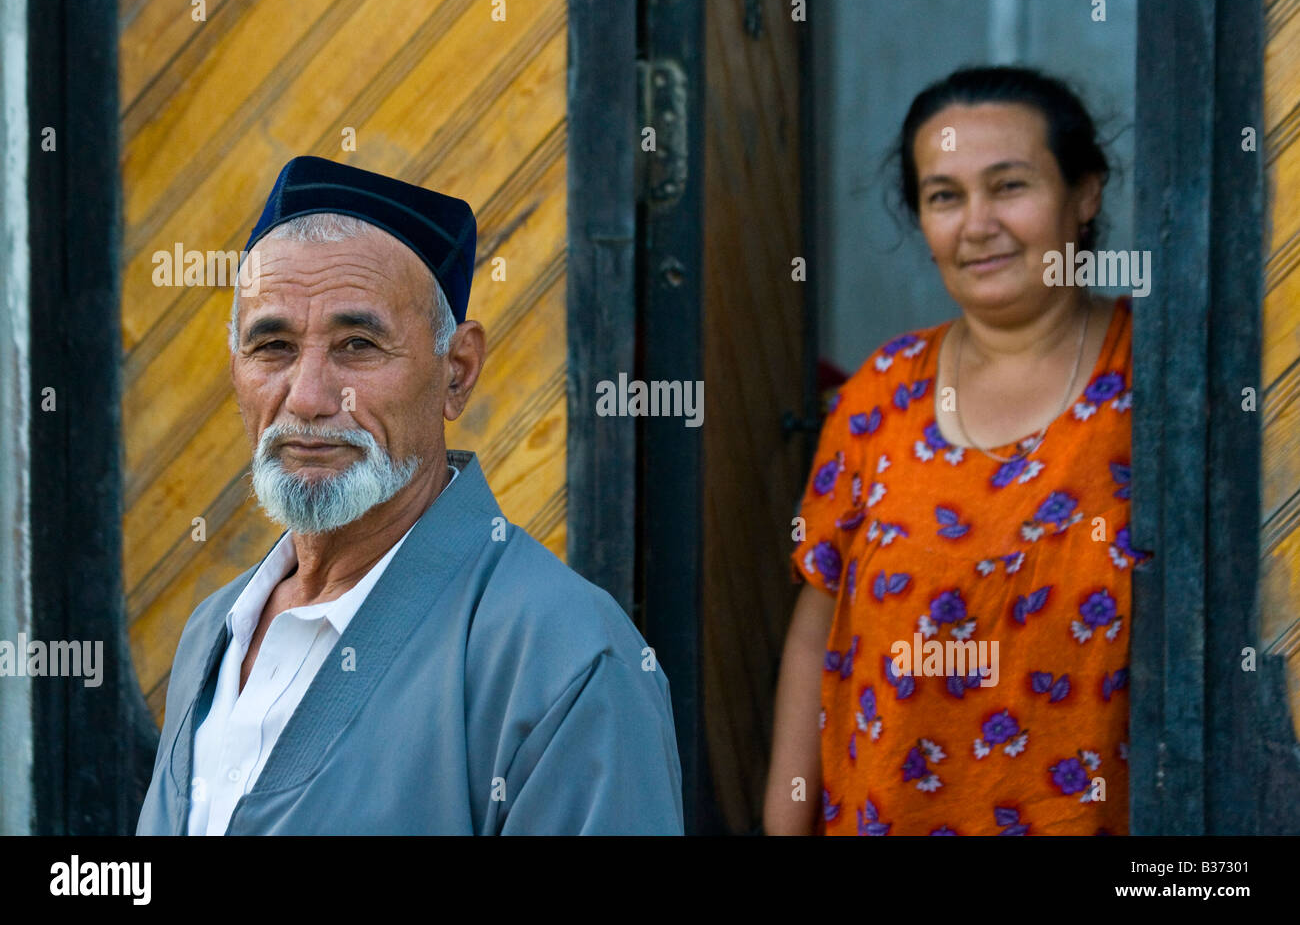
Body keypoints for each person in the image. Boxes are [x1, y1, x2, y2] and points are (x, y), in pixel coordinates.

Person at [136, 155, 683, 835]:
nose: (306, 398)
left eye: (358, 345)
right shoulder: (215, 630)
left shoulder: (566, 660)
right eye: (272, 345)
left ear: (457, 372)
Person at [765, 67, 1145, 835]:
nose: (977, 224)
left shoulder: (1154, 376)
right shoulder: (883, 389)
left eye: (1009, 186)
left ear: (1086, 194)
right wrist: (784, 823)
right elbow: (819, 619)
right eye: (944, 196)